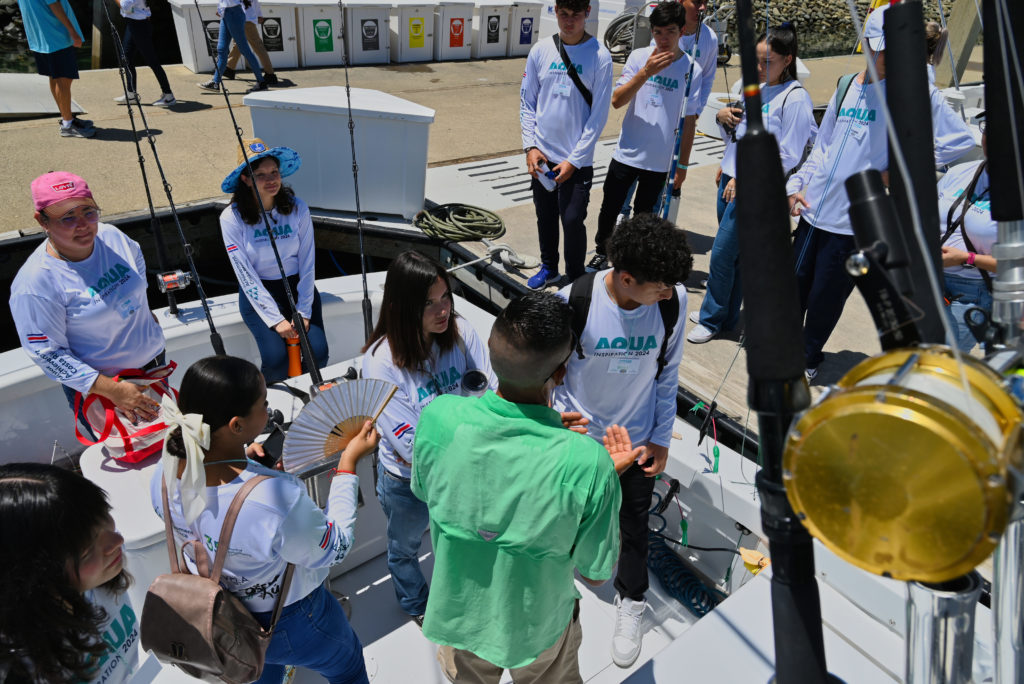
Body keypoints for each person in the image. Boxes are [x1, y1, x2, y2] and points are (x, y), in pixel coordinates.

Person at [412, 291, 636, 683]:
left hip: (460, 620)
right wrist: (604, 477)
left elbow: (426, 491)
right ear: (560, 373)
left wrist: (543, 435)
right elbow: (597, 574)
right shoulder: (589, 464)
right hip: (539, 633)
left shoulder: (438, 417)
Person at [150, 355, 377, 684]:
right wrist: (347, 464)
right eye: (263, 404)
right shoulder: (276, 499)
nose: (268, 412)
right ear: (235, 425)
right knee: (348, 665)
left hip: (225, 616)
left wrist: (242, 462)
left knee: (258, 673)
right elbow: (335, 549)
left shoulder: (165, 468)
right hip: (292, 620)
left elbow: (214, 511)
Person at [785, 3, 974, 380]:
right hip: (811, 212)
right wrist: (795, 186)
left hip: (853, 223)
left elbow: (962, 141)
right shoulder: (844, 86)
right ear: (868, 44)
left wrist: (900, 171)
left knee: (826, 298)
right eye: (883, 47)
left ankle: (807, 359)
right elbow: (822, 147)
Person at [553, 214, 691, 667]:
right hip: (580, 440)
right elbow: (548, 375)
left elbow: (667, 375)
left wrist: (660, 438)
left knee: (633, 525)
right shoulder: (574, 300)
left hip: (634, 442)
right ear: (626, 278)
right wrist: (557, 419)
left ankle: (631, 600)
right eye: (660, 287)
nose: (668, 293)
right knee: (571, 513)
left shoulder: (675, 302)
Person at [361, 251, 497, 624]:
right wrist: (475, 426)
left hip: (466, 468)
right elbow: (410, 445)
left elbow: (492, 391)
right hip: (408, 482)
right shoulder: (379, 362)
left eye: (446, 298)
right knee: (403, 548)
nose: (443, 311)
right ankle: (416, 602)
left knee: (463, 540)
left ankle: (464, 595)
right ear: (402, 307)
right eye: (429, 304)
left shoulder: (463, 331)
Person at [688, 22, 816, 344]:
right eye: (755, 60)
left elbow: (786, 153)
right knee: (735, 257)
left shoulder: (796, 99)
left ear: (788, 60)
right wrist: (722, 122)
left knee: (720, 255)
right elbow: (740, 134)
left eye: (766, 61)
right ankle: (727, 315)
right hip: (730, 178)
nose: (758, 68)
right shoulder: (754, 86)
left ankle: (711, 318)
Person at [10, 172, 166, 435]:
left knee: (172, 445)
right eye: (67, 217)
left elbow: (138, 269)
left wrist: (146, 317)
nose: (82, 225)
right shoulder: (35, 283)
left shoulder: (111, 235)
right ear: (42, 221)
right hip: (108, 389)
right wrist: (116, 391)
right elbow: (48, 354)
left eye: (88, 212)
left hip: (154, 364)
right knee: (135, 462)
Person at [599, 0, 717, 256]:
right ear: (652, 31)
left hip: (660, 163)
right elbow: (618, 101)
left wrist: (682, 166)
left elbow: (689, 122)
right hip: (626, 154)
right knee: (610, 209)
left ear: (681, 32)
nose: (664, 38)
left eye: (671, 32)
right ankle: (600, 253)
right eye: (658, 32)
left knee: (645, 222)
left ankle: (633, 261)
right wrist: (645, 73)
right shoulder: (638, 57)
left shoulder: (692, 69)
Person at [0, 463, 137, 683]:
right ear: (34, 578)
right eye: (85, 550)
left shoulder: (102, 576)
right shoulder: (22, 669)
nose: (117, 541)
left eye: (105, 516)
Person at [520, 0, 612, 288]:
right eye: (563, 14)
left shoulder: (600, 57)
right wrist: (530, 147)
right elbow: (527, 103)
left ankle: (574, 277)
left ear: (587, 14)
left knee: (572, 220)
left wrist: (574, 160)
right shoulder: (540, 50)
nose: (568, 21)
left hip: (576, 161)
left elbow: (598, 118)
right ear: (555, 13)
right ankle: (549, 268)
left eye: (575, 15)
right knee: (544, 216)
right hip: (543, 156)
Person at [220, 140, 329, 384]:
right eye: (260, 175)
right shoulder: (231, 217)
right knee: (276, 359)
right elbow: (244, 273)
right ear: (246, 180)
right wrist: (275, 319)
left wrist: (303, 310)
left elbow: (308, 261)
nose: (271, 180)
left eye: (274, 172)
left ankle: (308, 397)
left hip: (298, 287)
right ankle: (263, 403)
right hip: (258, 292)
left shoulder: (298, 208)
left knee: (318, 354)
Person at [938, 114, 994, 352]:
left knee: (941, 368)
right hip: (928, 280)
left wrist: (965, 258)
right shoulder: (960, 172)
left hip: (970, 292)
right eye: (987, 129)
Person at [16, 0, 95, 137]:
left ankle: (67, 117)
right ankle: (67, 124)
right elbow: (54, 4)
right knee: (63, 79)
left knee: (55, 77)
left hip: (40, 36)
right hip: (55, 35)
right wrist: (72, 31)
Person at [113, 0, 176, 106]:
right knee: (126, 58)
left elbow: (126, 7)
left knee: (152, 61)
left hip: (139, 25)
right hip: (134, 23)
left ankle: (168, 95)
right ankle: (131, 94)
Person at [197, 0, 267, 93]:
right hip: (226, 13)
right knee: (221, 49)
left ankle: (261, 82)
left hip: (234, 13)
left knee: (244, 50)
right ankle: (215, 82)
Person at [223, 0, 279, 86]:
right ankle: (229, 68)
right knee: (239, 44)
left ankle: (270, 74)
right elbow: (254, 4)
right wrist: (259, 14)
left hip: (242, 19)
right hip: (247, 19)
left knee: (258, 46)